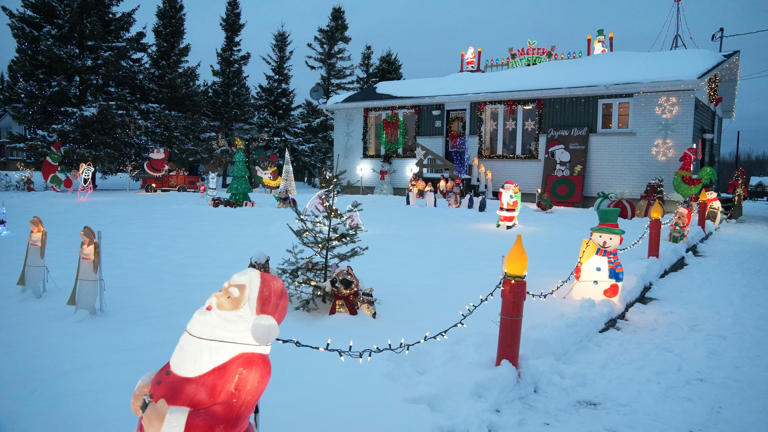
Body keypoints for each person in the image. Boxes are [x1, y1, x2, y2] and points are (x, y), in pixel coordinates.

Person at [130, 268, 288, 432]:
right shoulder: (204, 337)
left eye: (228, 296)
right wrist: (147, 386)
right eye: (221, 290)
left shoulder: (251, 365)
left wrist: (169, 425)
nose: (215, 296)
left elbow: (227, 422)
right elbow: (176, 371)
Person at [66, 226, 101, 314]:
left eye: (83, 237)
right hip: (83, 274)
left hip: (90, 275)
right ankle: (81, 308)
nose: (82, 239)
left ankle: (91, 308)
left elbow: (93, 258)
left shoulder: (93, 246)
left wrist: (83, 254)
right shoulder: (84, 246)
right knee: (82, 291)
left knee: (90, 291)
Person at [17, 216, 47, 298]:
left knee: (35, 275)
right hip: (31, 257)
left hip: (37, 258)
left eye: (32, 226)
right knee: (28, 273)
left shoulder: (42, 234)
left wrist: (32, 241)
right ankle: (26, 287)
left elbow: (41, 245)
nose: (31, 228)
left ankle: (37, 292)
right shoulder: (32, 233)